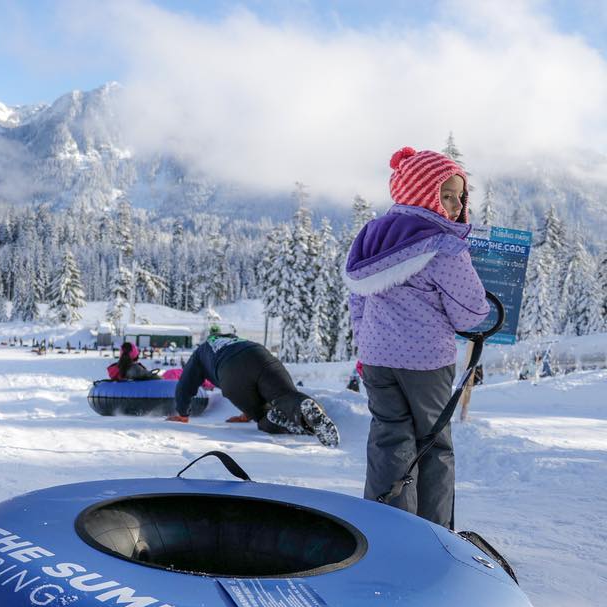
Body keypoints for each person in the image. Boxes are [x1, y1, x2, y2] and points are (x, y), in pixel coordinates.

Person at [345, 146, 490, 529]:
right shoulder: (442, 246)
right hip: (426, 364)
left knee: (388, 441)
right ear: (422, 192)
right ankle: (433, 534)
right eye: (446, 194)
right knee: (434, 445)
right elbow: (470, 313)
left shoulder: (372, 236)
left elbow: (357, 299)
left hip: (377, 360)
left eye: (461, 196)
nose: (457, 205)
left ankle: (385, 528)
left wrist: (365, 345)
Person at [166, 334, 339, 447]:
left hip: (230, 371)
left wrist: (183, 413)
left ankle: (275, 420)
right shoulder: (234, 340)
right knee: (285, 396)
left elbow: (185, 383)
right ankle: (304, 408)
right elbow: (249, 367)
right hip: (261, 355)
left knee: (263, 416)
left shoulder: (201, 352)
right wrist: (245, 414)